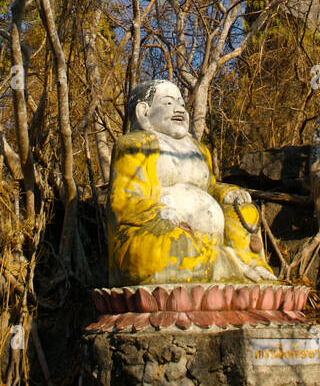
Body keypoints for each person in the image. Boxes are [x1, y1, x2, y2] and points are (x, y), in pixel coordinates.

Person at [107, 79, 278, 287]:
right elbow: (125, 201)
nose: (179, 109)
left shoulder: (198, 149)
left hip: (208, 238)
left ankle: (250, 262)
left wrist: (226, 193)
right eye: (169, 103)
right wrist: (165, 215)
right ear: (144, 112)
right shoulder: (136, 145)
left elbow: (209, 187)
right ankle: (231, 264)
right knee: (159, 253)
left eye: (181, 103)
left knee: (246, 211)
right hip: (163, 231)